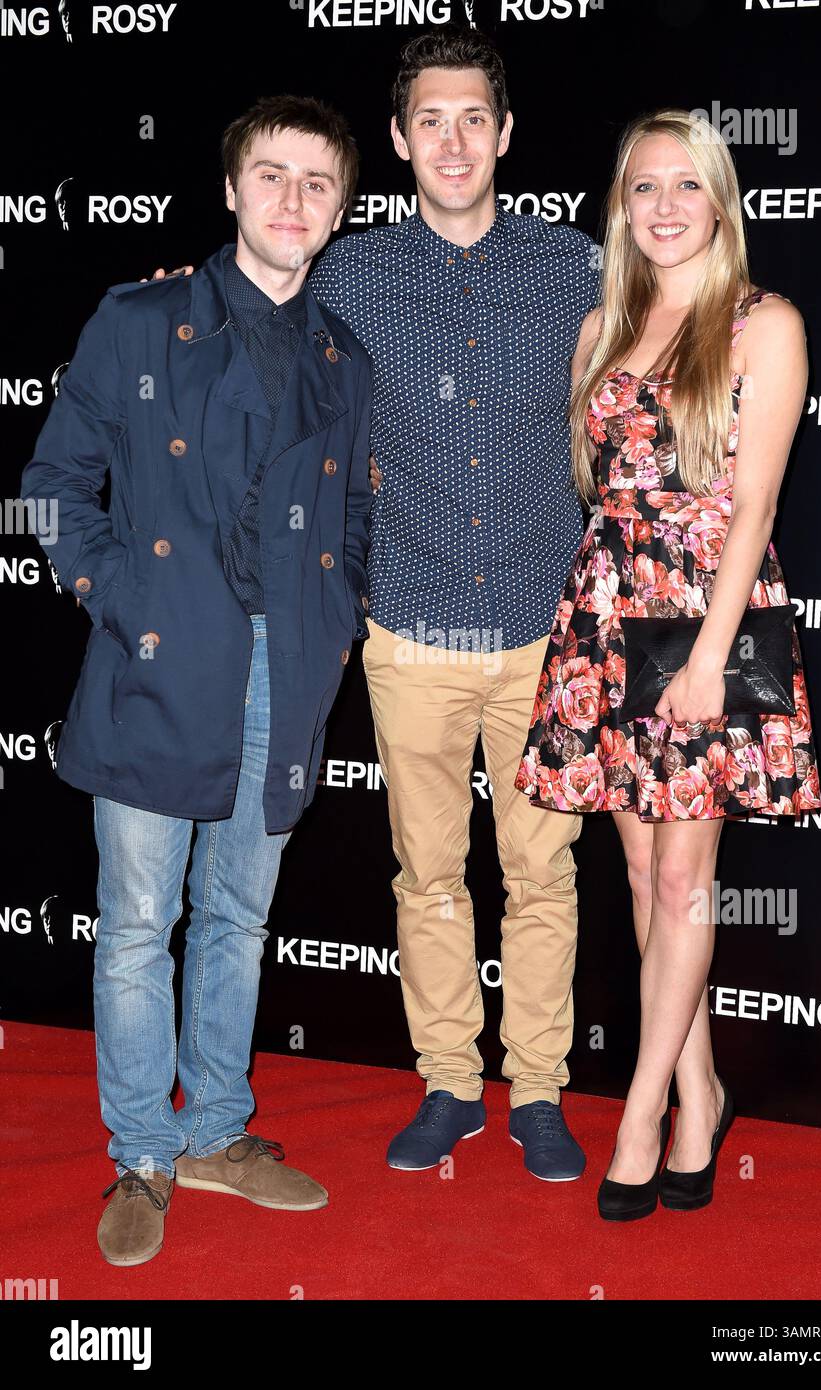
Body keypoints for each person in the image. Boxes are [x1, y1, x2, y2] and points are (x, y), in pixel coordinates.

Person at [144, 28, 601, 1183]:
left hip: (548, 635)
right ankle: (450, 1080)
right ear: (398, 140)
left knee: (543, 877)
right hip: (408, 628)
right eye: (428, 120)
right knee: (429, 874)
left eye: (472, 118)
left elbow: (673, 334)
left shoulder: (577, 267)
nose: (452, 140)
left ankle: (537, 1090)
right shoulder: (344, 274)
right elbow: (239, 316)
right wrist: (167, 308)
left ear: (504, 134)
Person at [20, 94, 374, 1266]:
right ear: (230, 191)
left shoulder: (342, 356)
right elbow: (46, 487)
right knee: (135, 923)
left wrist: (335, 620)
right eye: (270, 176)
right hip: (159, 662)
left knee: (237, 913)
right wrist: (125, 602)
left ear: (338, 207)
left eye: (317, 183)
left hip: (284, 669)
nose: (292, 200)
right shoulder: (139, 320)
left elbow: (354, 515)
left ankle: (219, 1131)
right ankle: (140, 1153)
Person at [515, 108, 821, 1220]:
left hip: (707, 616)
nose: (661, 206)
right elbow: (597, 493)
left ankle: (640, 1108)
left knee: (687, 879)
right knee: (643, 880)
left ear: (718, 200)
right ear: (619, 205)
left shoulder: (761, 322)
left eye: (683, 185)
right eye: (641, 187)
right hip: (605, 611)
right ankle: (700, 1088)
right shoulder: (601, 321)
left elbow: (751, 510)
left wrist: (704, 658)